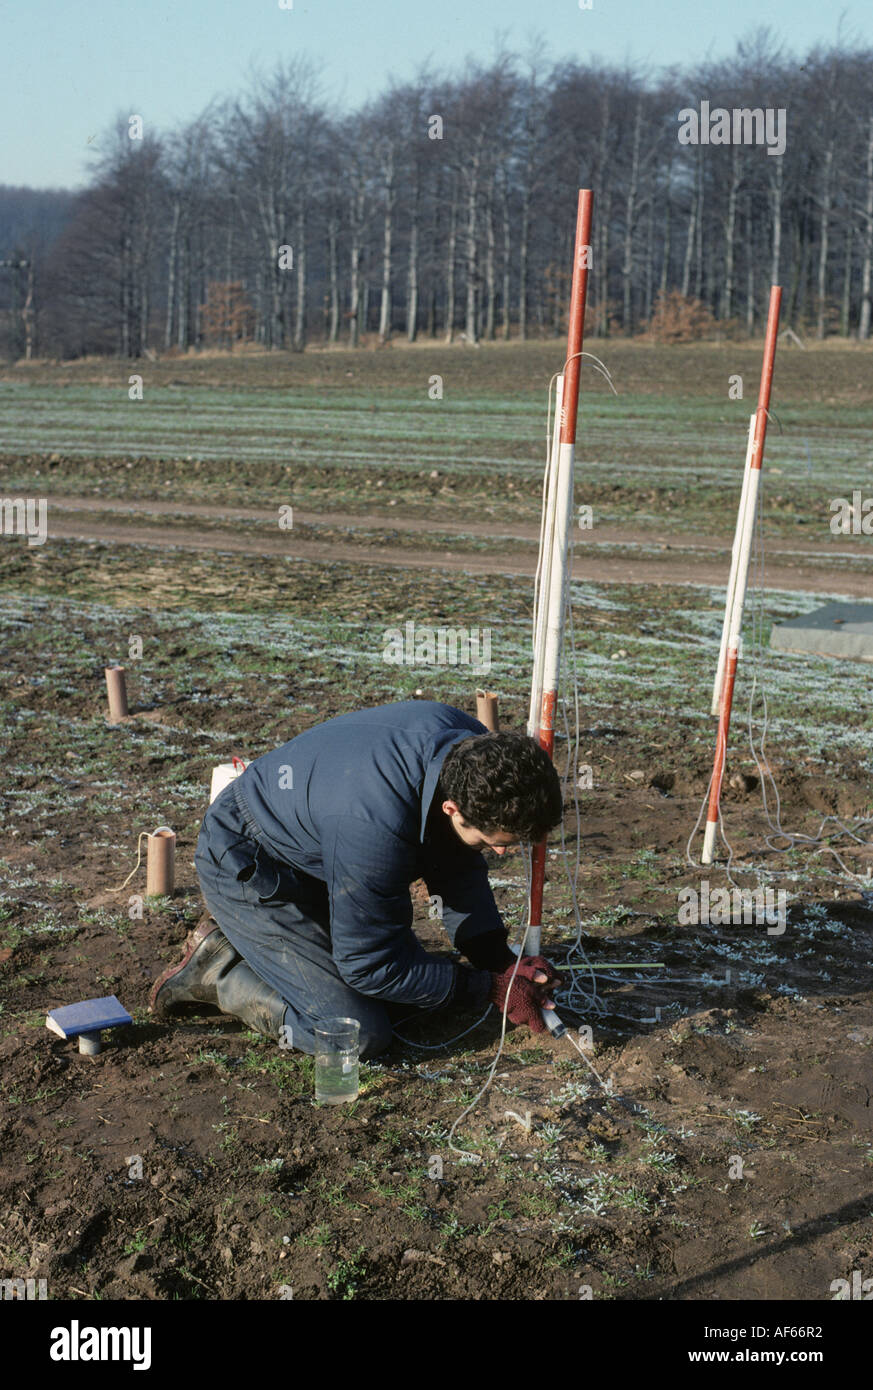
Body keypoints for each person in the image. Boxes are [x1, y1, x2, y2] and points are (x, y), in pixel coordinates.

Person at [149, 700, 564, 1057]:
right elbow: (369, 964)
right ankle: (219, 973)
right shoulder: (375, 827)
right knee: (355, 1032)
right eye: (492, 843)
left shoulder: (473, 753)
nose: (501, 853)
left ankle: (270, 952)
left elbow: (456, 862)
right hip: (248, 858)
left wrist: (501, 961)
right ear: (452, 809)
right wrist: (490, 988)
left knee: (416, 992)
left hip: (324, 847)